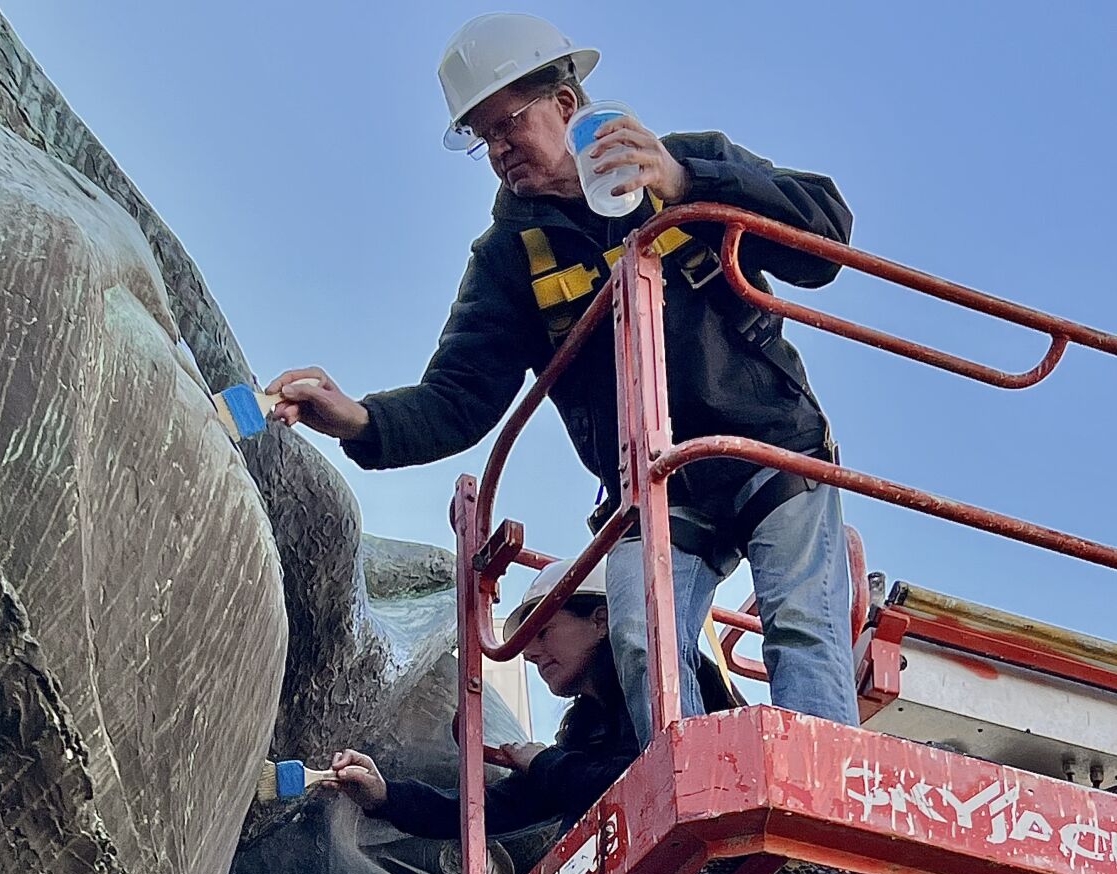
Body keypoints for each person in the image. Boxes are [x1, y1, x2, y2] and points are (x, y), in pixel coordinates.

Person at [268, 14, 859, 749]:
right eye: (481, 137)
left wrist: (686, 184)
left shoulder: (684, 166)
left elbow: (825, 235)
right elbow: (460, 396)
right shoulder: (510, 259)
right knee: (640, 640)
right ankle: (698, 799)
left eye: (507, 123)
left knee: (801, 627)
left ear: (568, 104)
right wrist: (360, 420)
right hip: (654, 483)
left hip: (770, 444)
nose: (498, 149)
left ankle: (825, 792)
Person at [326, 556, 727, 839]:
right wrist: (385, 796)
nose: (528, 652)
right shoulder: (589, 729)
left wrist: (542, 762)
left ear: (601, 620)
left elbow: (642, 784)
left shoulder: (671, 679)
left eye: (543, 632)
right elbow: (495, 810)